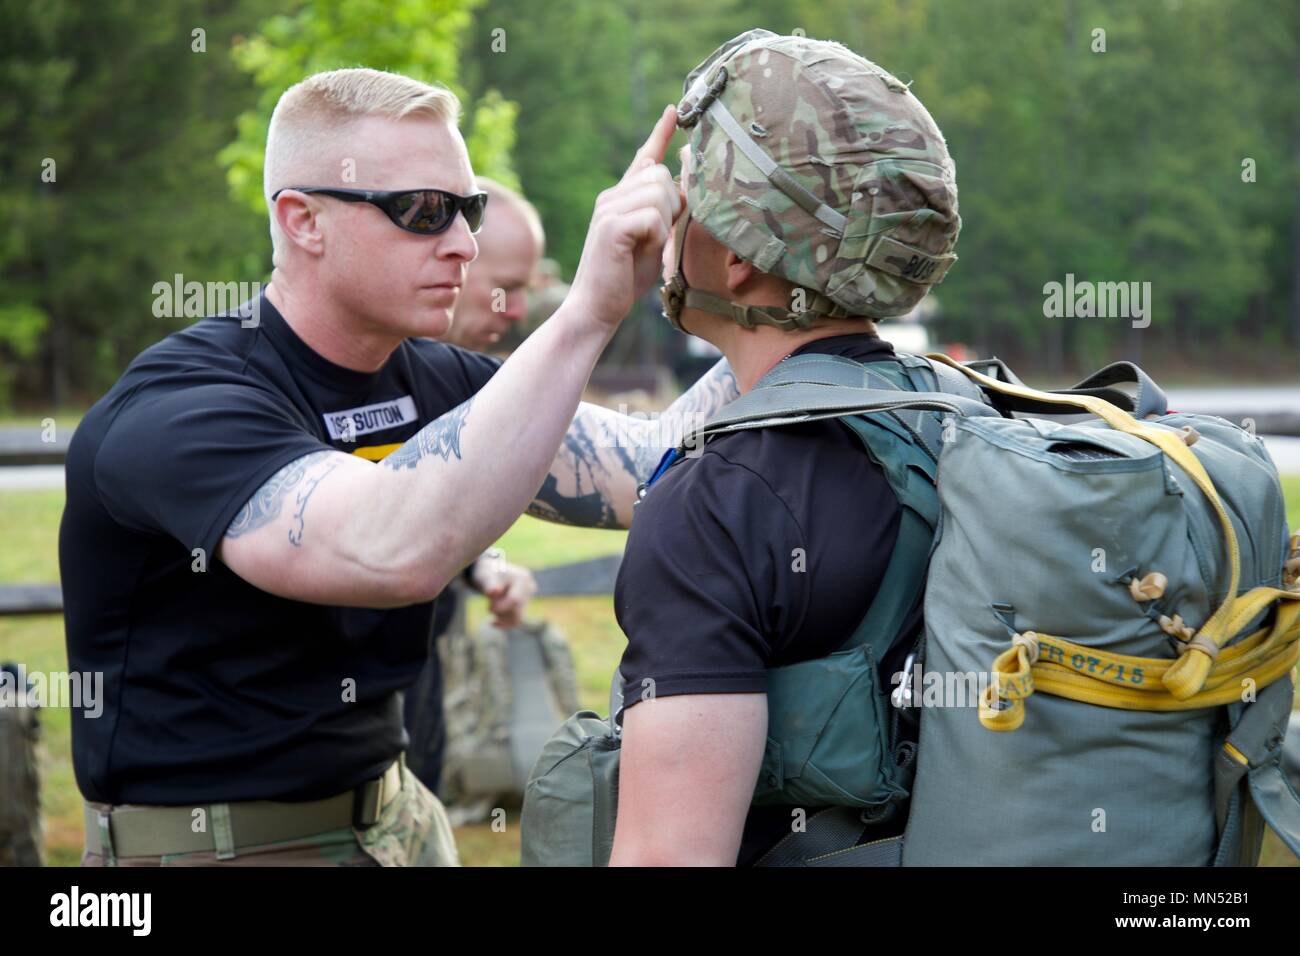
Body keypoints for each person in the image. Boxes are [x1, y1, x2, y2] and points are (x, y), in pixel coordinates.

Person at [60, 66, 738, 866]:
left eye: (468, 209)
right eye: (423, 211)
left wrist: (777, 286)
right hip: (217, 846)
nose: (464, 243)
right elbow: (393, 549)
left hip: (395, 818)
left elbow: (660, 463)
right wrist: (587, 314)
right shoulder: (183, 406)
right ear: (303, 220)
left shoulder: (432, 375)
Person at [607, 30, 960, 866]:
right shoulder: (975, 419)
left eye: (688, 191)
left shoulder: (717, 501)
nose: (671, 212)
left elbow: (669, 857)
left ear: (734, 261)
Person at [405, 177, 546, 796]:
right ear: (455, 264)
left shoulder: (456, 389)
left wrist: (483, 567)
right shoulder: (367, 381)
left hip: (417, 729)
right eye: (507, 290)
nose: (516, 312)